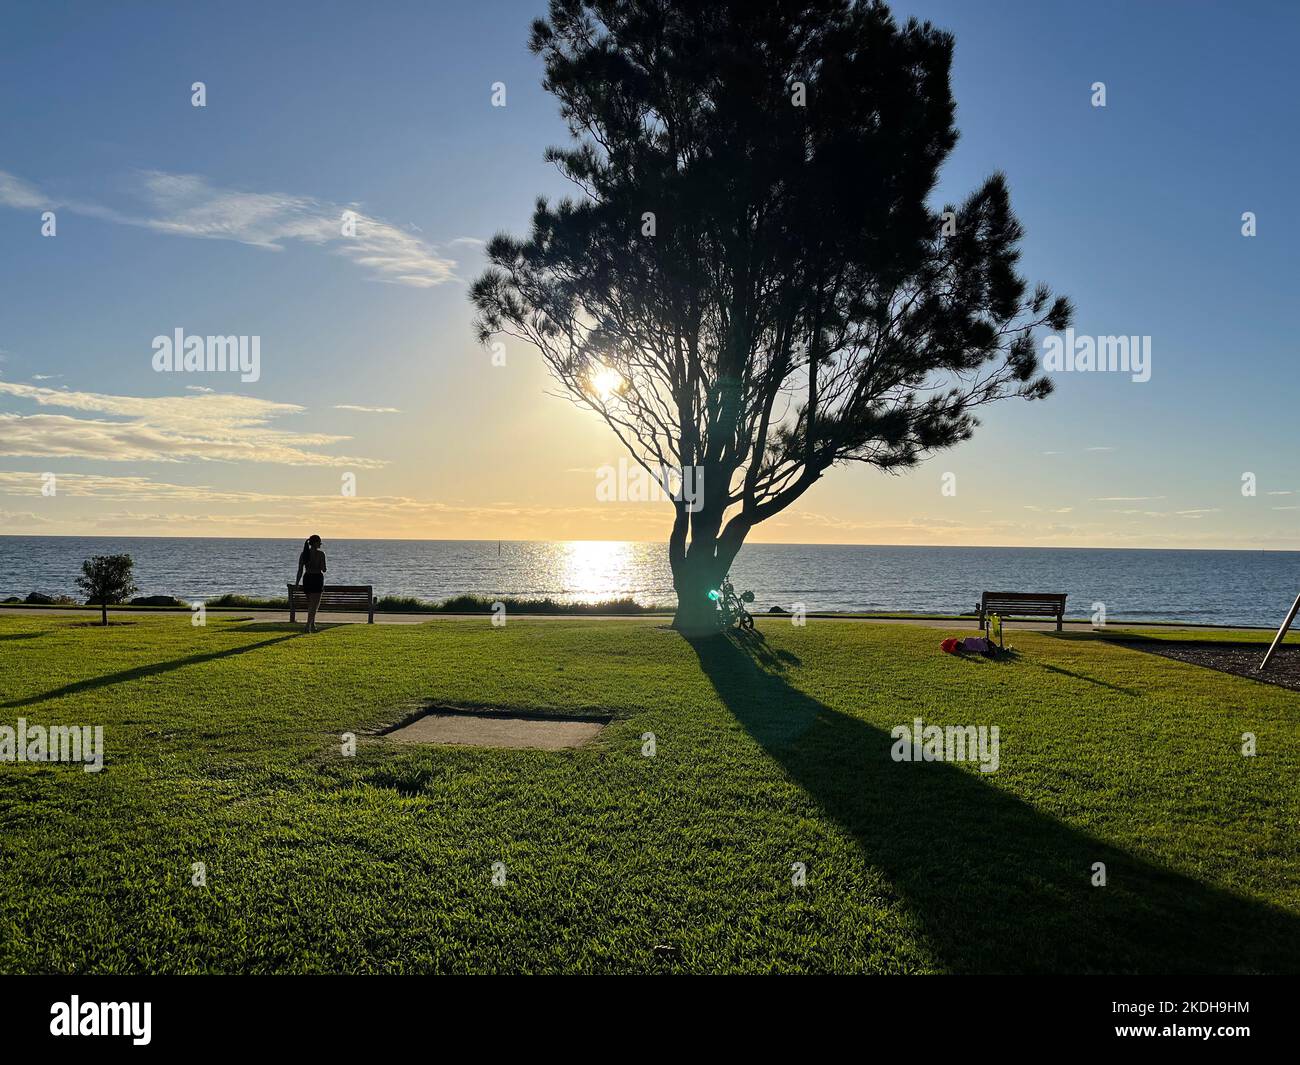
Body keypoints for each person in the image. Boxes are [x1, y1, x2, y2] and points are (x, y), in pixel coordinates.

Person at [294, 534, 327, 633]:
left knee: (311, 604)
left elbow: (300, 570)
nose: (320, 544)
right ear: (316, 543)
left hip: (307, 578)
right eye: (319, 542)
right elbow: (324, 569)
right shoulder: (321, 554)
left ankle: (312, 624)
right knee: (315, 604)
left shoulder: (304, 554)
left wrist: (297, 582)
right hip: (317, 579)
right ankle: (307, 625)